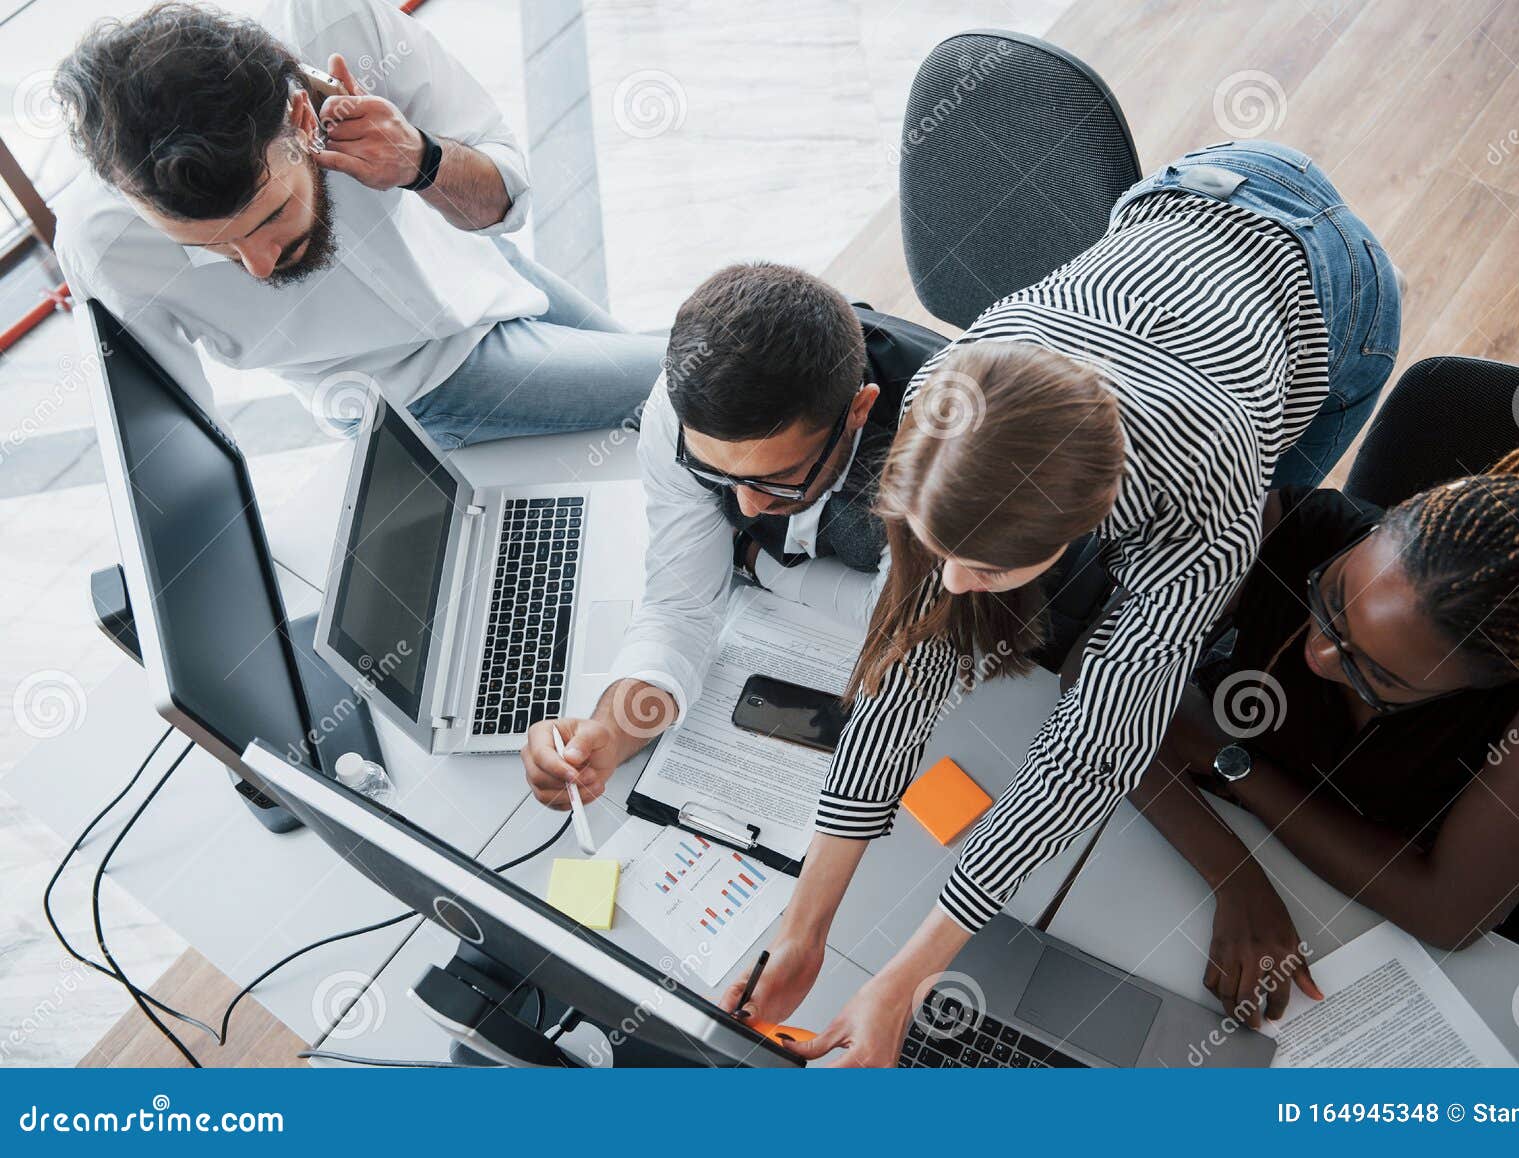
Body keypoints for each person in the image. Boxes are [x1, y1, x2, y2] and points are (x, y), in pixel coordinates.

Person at [719, 140, 1403, 1066]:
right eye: (942, 549)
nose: (954, 581)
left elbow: (1092, 750)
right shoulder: (943, 397)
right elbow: (906, 659)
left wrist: (912, 970)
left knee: (1266, 537)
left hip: (1325, 287)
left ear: (1087, 522)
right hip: (1180, 198)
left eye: (990, 567)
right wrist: (805, 925)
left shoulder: (1210, 479)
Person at [1127, 438, 1519, 1026]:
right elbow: (1097, 684)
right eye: (1332, 599)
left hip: (1355, 933)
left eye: (1375, 675)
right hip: (1170, 854)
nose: (1320, 654)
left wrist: (1234, 762)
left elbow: (1449, 914)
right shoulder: (1296, 524)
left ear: (1495, 678)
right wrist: (1236, 877)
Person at [50, 0, 661, 446]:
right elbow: (176, 430)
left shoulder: (338, 23)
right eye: (216, 251)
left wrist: (422, 161)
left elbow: (506, 202)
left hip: (485, 273)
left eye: (269, 216)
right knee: (698, 390)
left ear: (299, 119)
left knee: (701, 394)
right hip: (401, 390)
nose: (259, 266)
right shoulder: (101, 240)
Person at [519, 262, 945, 802]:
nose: (747, 505)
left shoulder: (939, 462)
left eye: (780, 478)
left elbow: (903, 629)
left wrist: (754, 563)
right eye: (714, 473)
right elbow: (681, 606)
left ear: (859, 410)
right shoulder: (686, 415)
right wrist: (611, 728)